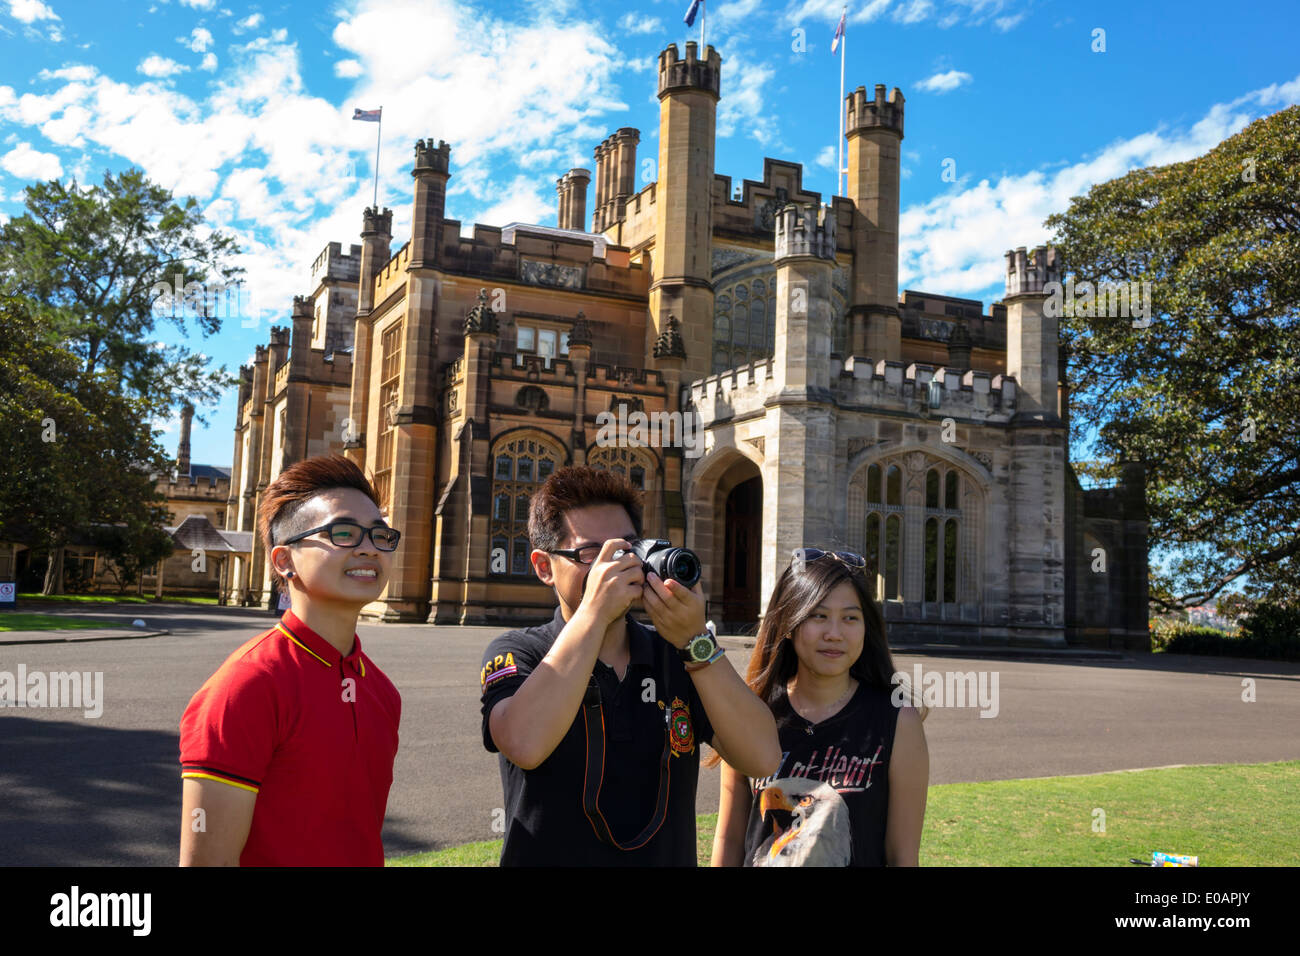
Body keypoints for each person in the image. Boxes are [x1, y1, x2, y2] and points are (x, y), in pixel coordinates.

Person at [479, 466, 782, 865]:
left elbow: (762, 757)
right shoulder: (521, 652)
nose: (614, 567)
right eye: (592, 554)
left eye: (625, 550)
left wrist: (697, 642)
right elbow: (524, 743)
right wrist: (594, 615)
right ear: (543, 567)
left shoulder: (676, 655)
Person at [178, 454, 402, 866]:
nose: (369, 549)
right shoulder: (246, 687)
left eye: (380, 535)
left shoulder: (382, 690)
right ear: (284, 560)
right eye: (344, 533)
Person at [710, 548, 929, 866]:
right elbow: (728, 839)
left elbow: (902, 856)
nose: (835, 634)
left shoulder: (898, 722)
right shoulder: (751, 714)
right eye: (818, 615)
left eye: (850, 618)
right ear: (788, 622)